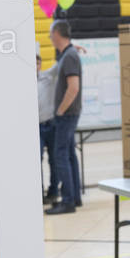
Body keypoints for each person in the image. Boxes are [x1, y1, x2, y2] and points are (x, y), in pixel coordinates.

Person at [45, 19, 83, 214]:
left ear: (57, 34)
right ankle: (74, 198)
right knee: (68, 155)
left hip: (66, 114)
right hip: (69, 114)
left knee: (60, 155)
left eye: (51, 34)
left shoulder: (69, 57)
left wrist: (60, 110)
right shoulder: (68, 55)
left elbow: (73, 87)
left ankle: (67, 201)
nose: (50, 38)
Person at [37, 47, 60, 204]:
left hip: (50, 124)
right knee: (36, 160)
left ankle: (53, 193)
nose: (35, 65)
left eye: (38, 62)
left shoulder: (48, 77)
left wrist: (71, 48)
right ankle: (38, 192)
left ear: (40, 64)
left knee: (54, 159)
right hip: (35, 128)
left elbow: (59, 65)